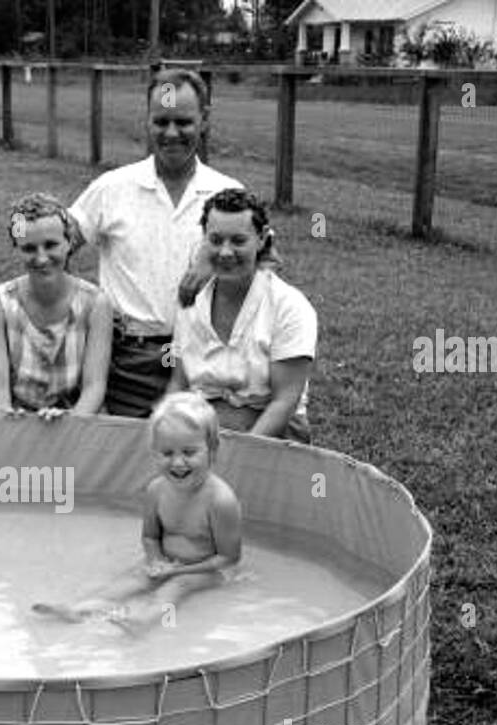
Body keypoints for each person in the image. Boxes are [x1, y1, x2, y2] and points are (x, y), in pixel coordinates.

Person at [67, 68, 243, 418]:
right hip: (130, 361)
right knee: (130, 462)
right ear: (147, 121)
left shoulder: (229, 194)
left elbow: (267, 265)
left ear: (204, 120)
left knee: (205, 456)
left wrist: (214, 259)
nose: (172, 133)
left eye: (184, 121)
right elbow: (56, 244)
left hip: (208, 358)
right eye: (161, 122)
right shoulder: (112, 188)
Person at [33, 392, 243, 632]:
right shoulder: (156, 490)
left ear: (213, 450)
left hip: (212, 571)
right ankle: (81, 609)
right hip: (169, 562)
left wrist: (180, 570)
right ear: (154, 452)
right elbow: (150, 537)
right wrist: (156, 560)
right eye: (167, 453)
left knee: (178, 586)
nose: (177, 463)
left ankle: (144, 620)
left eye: (189, 452)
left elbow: (229, 559)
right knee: (135, 578)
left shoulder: (220, 500)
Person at [169, 188, 316, 443]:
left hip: (270, 438)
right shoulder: (191, 302)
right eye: (215, 240)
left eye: (238, 241)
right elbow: (178, 385)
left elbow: (284, 401)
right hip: (201, 433)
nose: (225, 252)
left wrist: (239, 455)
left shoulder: (289, 306)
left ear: (260, 239)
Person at [0, 192, 113, 419]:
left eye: (50, 245)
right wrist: (9, 419)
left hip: (73, 424)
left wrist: (70, 424)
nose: (41, 258)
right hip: (16, 425)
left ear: (69, 243)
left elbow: (94, 387)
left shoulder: (95, 304)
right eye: (29, 248)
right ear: (17, 248)